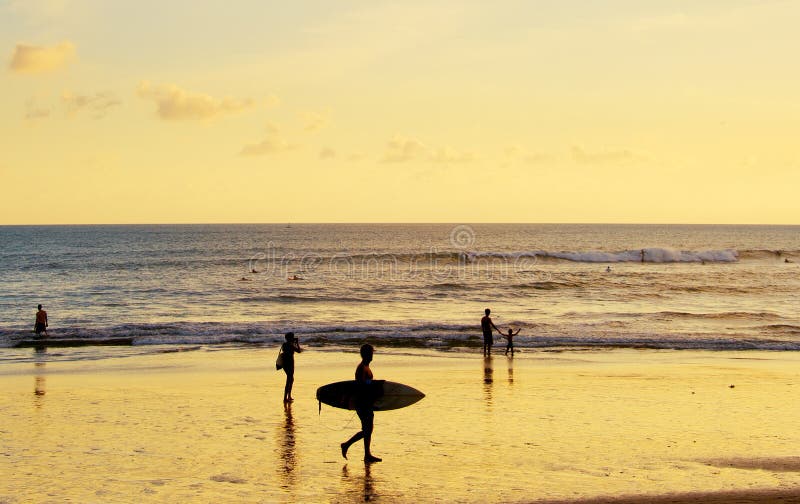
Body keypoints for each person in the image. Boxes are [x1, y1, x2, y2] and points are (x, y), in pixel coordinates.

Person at [341, 344, 382, 463]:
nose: (372, 355)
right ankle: (346, 445)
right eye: (371, 353)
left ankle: (367, 454)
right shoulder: (362, 368)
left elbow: (366, 384)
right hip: (362, 402)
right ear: (366, 354)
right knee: (367, 429)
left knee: (368, 428)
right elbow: (360, 386)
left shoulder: (365, 366)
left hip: (366, 402)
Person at [281, 332, 302, 403]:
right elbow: (299, 351)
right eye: (292, 337)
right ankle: (285, 398)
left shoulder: (284, 344)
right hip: (290, 363)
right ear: (290, 338)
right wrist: (297, 343)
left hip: (284, 363)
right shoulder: (291, 345)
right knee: (289, 379)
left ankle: (288, 396)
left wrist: (293, 343)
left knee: (291, 379)